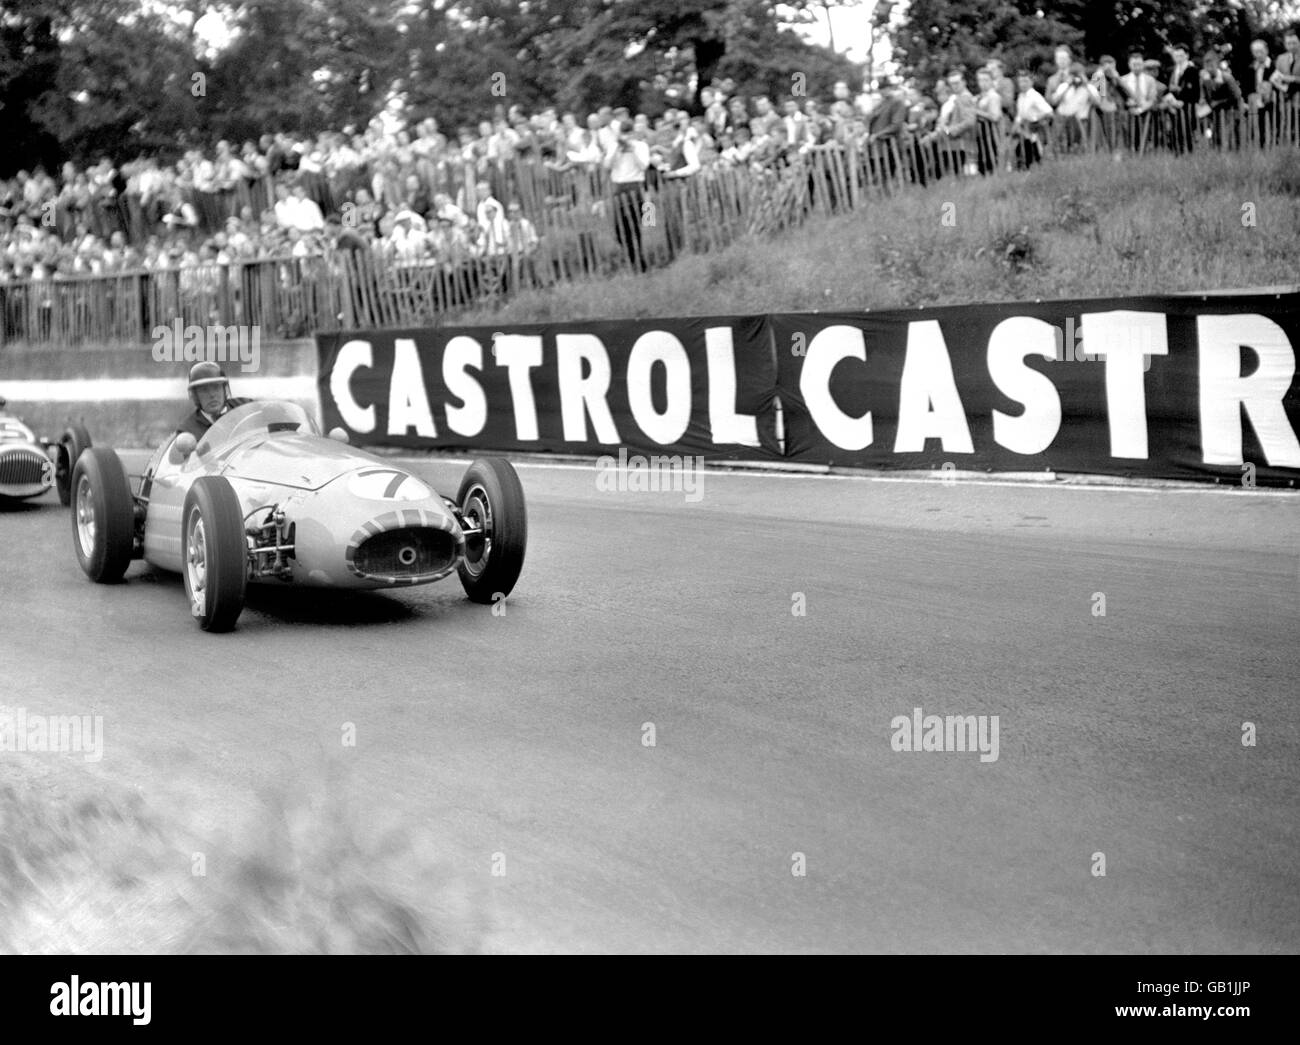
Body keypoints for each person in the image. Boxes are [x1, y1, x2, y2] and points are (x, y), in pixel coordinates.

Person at [175, 362, 251, 440]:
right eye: (204, 390)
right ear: (195, 395)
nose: (212, 395)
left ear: (224, 389)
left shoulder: (246, 406)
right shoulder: (188, 431)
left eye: (216, 387)